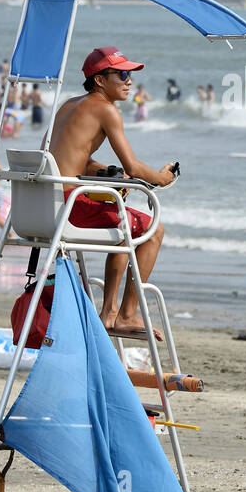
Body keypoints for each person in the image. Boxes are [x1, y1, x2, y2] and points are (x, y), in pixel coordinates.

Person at [48, 46, 176, 338]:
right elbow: (131, 164)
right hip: (70, 206)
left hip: (49, 203)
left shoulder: (68, 105)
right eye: (121, 74)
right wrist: (160, 178)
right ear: (100, 80)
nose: (128, 81)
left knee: (124, 223)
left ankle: (109, 312)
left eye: (129, 74)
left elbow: (62, 156)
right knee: (153, 230)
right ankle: (126, 314)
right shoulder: (107, 110)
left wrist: (107, 173)